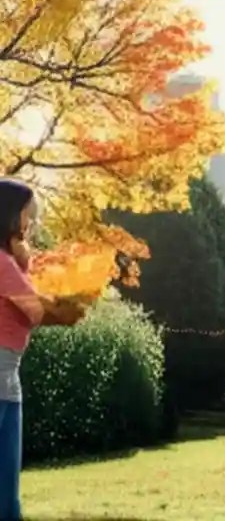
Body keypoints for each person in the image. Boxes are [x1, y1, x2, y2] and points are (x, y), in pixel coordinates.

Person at [0, 179, 83, 521]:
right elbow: (36, 311)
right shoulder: (1, 264)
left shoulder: (10, 263)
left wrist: (25, 262)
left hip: (9, 378)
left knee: (7, 490)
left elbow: (31, 311)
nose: (29, 221)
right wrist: (72, 307)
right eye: (25, 213)